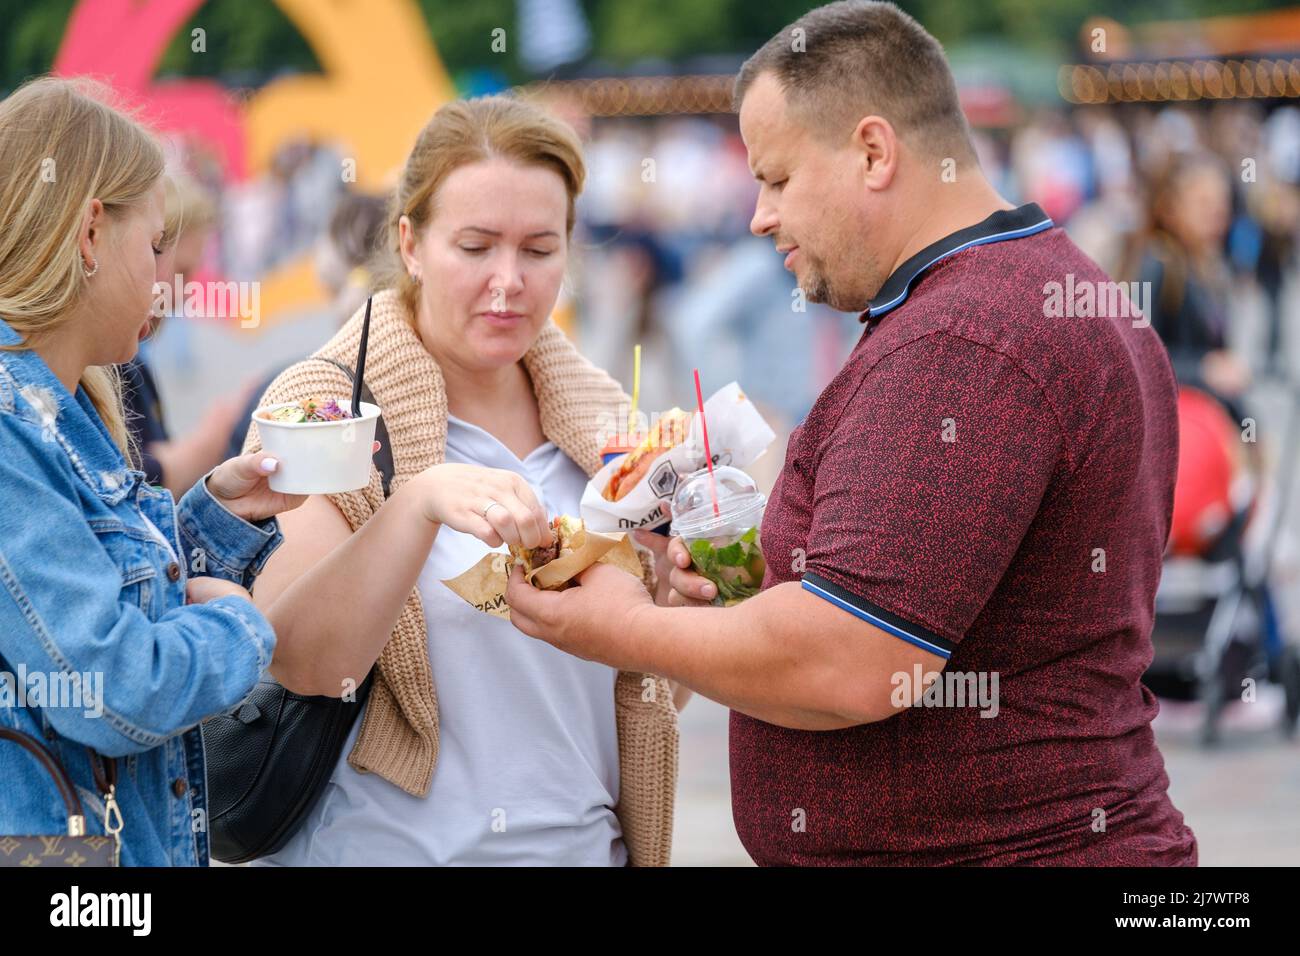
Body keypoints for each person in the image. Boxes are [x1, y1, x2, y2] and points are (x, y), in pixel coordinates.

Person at [505, 0, 1198, 866]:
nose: (759, 215)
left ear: (874, 152)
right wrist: (768, 585)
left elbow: (852, 664)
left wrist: (615, 626)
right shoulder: (1036, 288)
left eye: (779, 179)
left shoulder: (964, 339)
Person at [242, 96, 682, 866]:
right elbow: (304, 663)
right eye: (475, 246)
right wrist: (414, 507)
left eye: (540, 250)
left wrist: (685, 596)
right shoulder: (323, 408)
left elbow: (642, 692)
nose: (508, 282)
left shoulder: (606, 420)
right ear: (409, 242)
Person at [0, 77, 306, 866]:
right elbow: (113, 687)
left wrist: (214, 518)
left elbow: (90, 583)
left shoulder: (53, 407)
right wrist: (243, 627)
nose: (169, 276)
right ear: (91, 235)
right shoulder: (11, 426)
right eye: (159, 244)